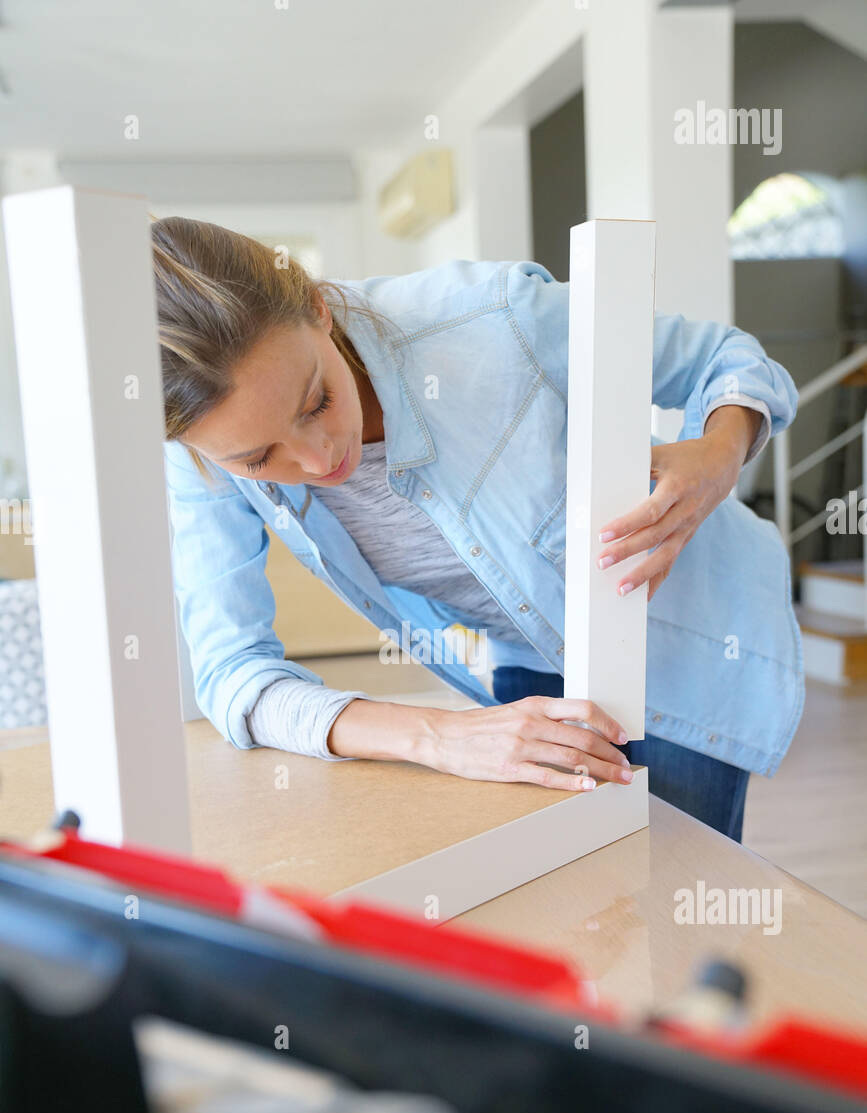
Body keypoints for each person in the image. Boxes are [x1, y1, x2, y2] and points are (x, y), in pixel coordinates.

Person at [154, 217, 802, 842]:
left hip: (685, 641)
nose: (320, 460)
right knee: (577, 904)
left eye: (316, 401)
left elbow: (727, 360)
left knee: (672, 899)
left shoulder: (491, 317)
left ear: (319, 310)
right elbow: (232, 669)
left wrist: (716, 461)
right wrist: (435, 734)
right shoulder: (201, 463)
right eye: (259, 458)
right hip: (523, 664)